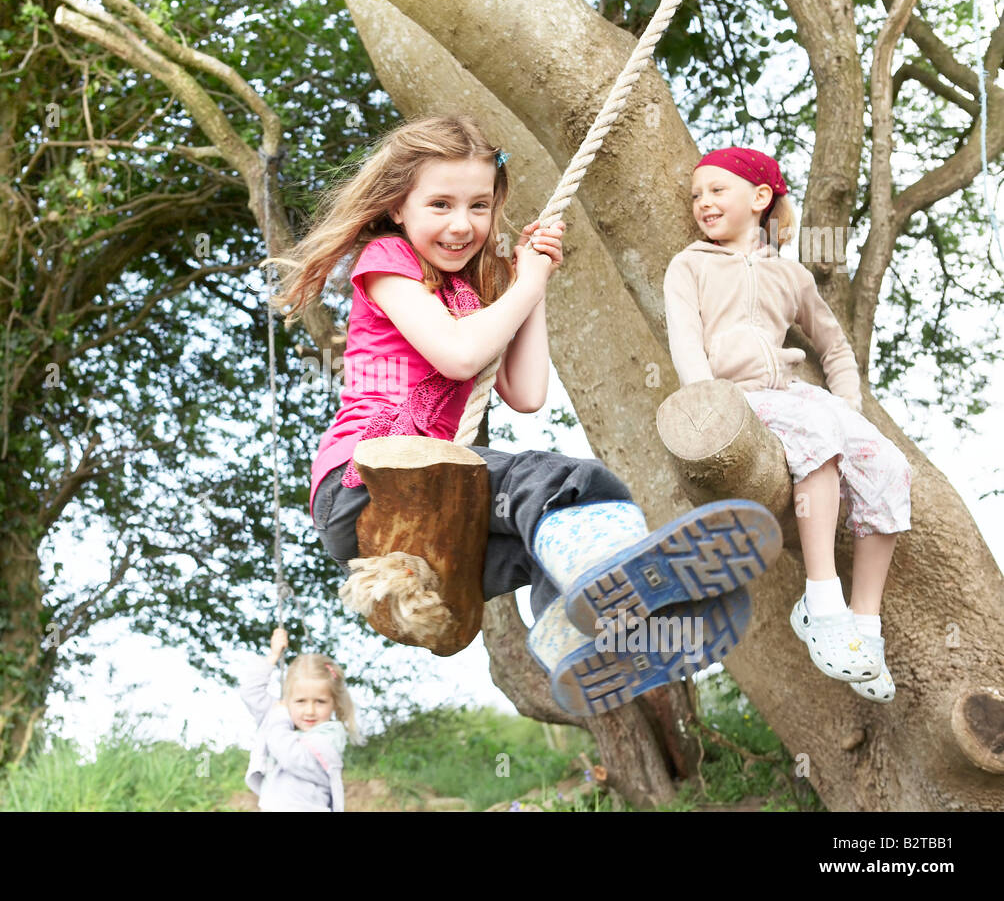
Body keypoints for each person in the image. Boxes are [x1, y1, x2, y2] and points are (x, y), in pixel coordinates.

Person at [269, 114, 783, 717]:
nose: (462, 224)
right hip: (370, 486)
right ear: (398, 208)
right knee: (569, 485)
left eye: (479, 206)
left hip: (438, 510)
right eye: (440, 204)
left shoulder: (474, 291)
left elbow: (527, 391)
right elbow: (460, 356)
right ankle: (613, 575)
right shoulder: (387, 261)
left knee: (552, 532)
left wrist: (527, 283)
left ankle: (583, 640)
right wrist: (525, 283)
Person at [663, 146, 913, 703]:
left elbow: (833, 345)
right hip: (738, 400)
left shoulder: (790, 272)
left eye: (716, 190)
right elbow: (685, 342)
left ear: (758, 198)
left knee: (892, 469)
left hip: (796, 394)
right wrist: (709, 406)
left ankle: (863, 628)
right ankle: (822, 601)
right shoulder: (690, 265)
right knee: (817, 442)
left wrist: (848, 402)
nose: (703, 202)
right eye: (696, 194)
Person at [239, 627, 361, 811]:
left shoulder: (331, 733)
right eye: (300, 701)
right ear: (288, 700)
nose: (309, 711)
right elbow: (250, 693)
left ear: (334, 703)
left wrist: (280, 718)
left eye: (320, 702)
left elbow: (292, 756)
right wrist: (273, 656)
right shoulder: (283, 717)